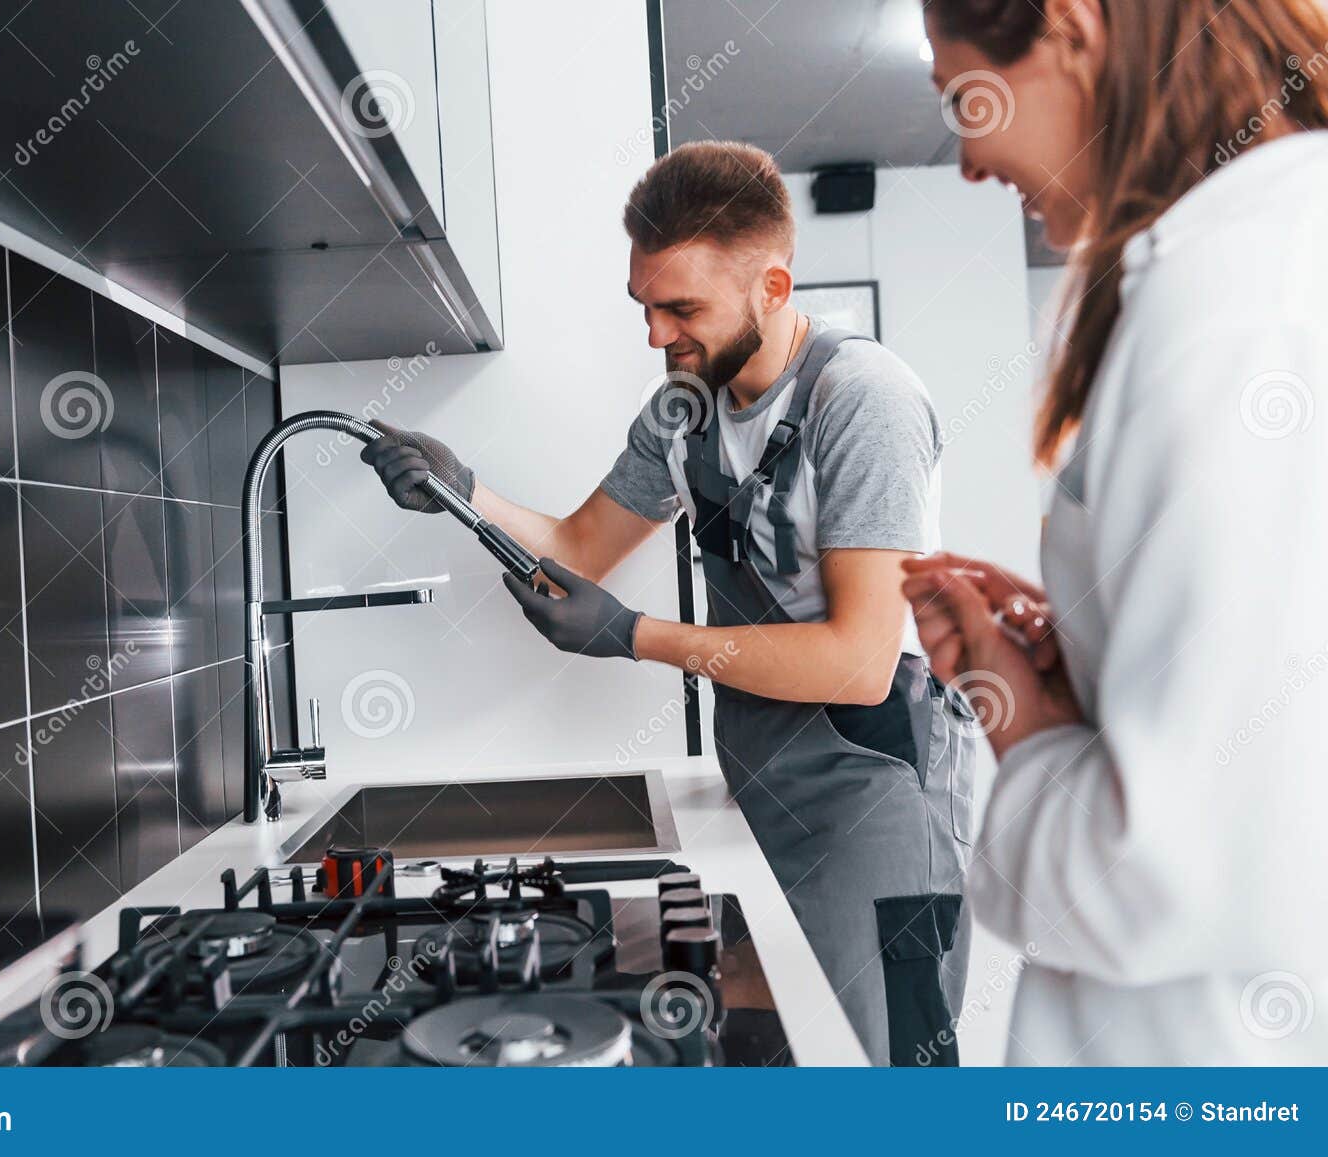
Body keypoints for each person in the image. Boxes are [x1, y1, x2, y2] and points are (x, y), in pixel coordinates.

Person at [362, 141, 975, 1066]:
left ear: (771, 285)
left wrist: (633, 635)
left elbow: (857, 662)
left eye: (681, 307)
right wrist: (462, 490)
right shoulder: (682, 410)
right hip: (763, 784)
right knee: (790, 1066)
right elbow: (579, 545)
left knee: (892, 1076)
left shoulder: (861, 401)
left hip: (877, 801)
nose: (655, 334)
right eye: (645, 305)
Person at [905, 0, 1328, 1064]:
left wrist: (1028, 726)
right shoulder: (1266, 257)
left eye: (960, 95)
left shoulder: (1233, 301)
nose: (963, 158)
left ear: (1072, 27)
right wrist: (1095, 652)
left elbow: (1164, 872)